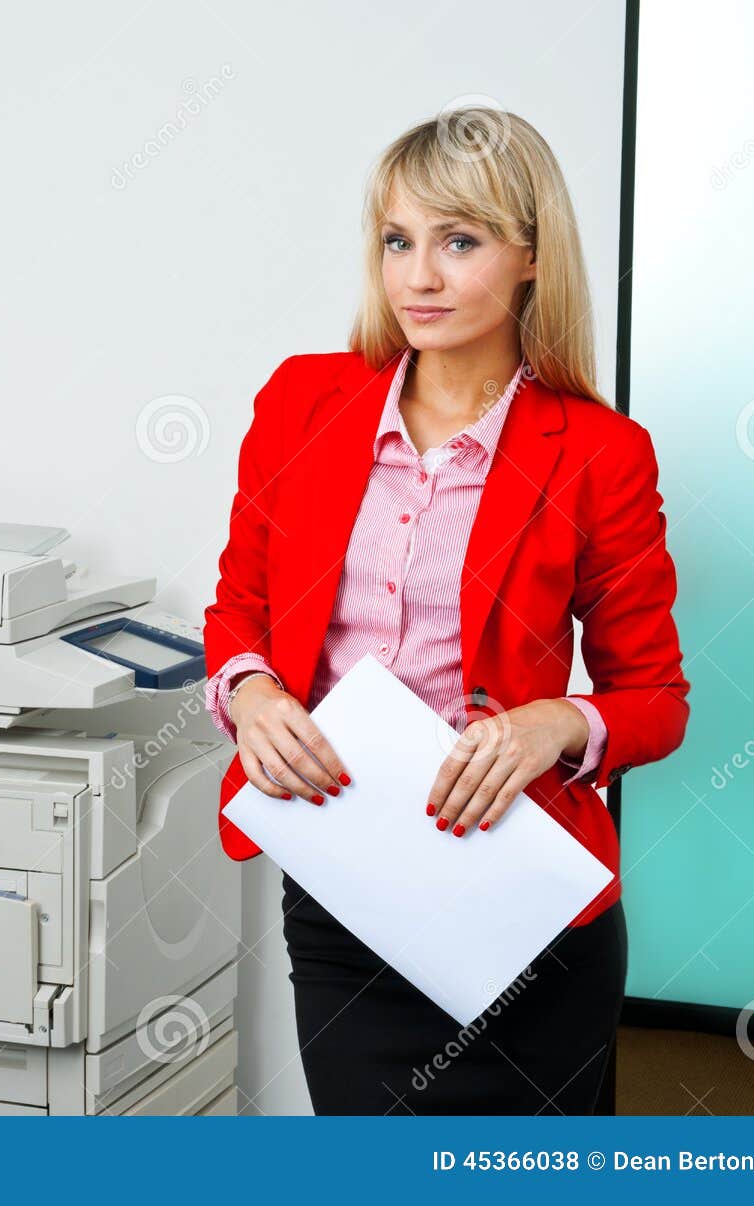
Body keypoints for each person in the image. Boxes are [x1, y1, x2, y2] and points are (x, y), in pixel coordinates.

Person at [201, 108, 690, 1115]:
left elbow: (656, 699)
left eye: (457, 241)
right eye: (397, 241)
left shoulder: (598, 454)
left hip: (517, 899)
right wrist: (248, 695)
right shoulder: (301, 403)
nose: (417, 276)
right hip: (343, 882)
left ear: (529, 259)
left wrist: (554, 721)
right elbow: (236, 610)